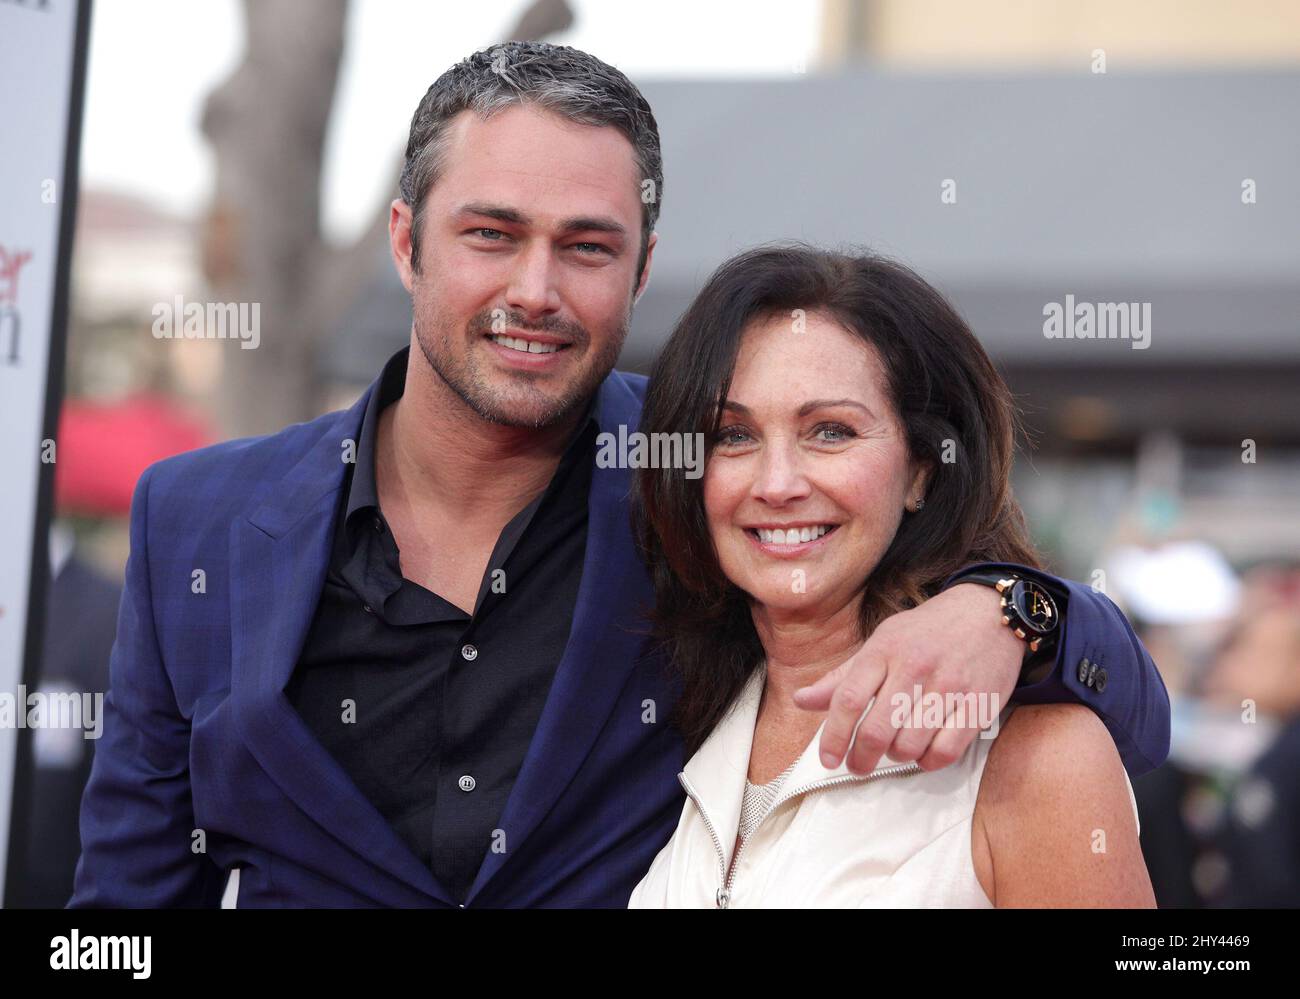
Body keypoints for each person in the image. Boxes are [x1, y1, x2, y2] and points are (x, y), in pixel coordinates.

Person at [71, 42, 1167, 909]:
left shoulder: (705, 474)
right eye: (491, 234)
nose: (536, 289)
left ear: (641, 268)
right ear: (407, 242)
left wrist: (1012, 608)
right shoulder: (201, 517)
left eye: (587, 247)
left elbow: (1133, 721)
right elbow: (128, 893)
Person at [629, 246, 1155, 907]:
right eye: (733, 436)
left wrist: (1013, 611)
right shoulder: (680, 720)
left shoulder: (1039, 755)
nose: (778, 483)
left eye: (830, 431)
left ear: (921, 470)